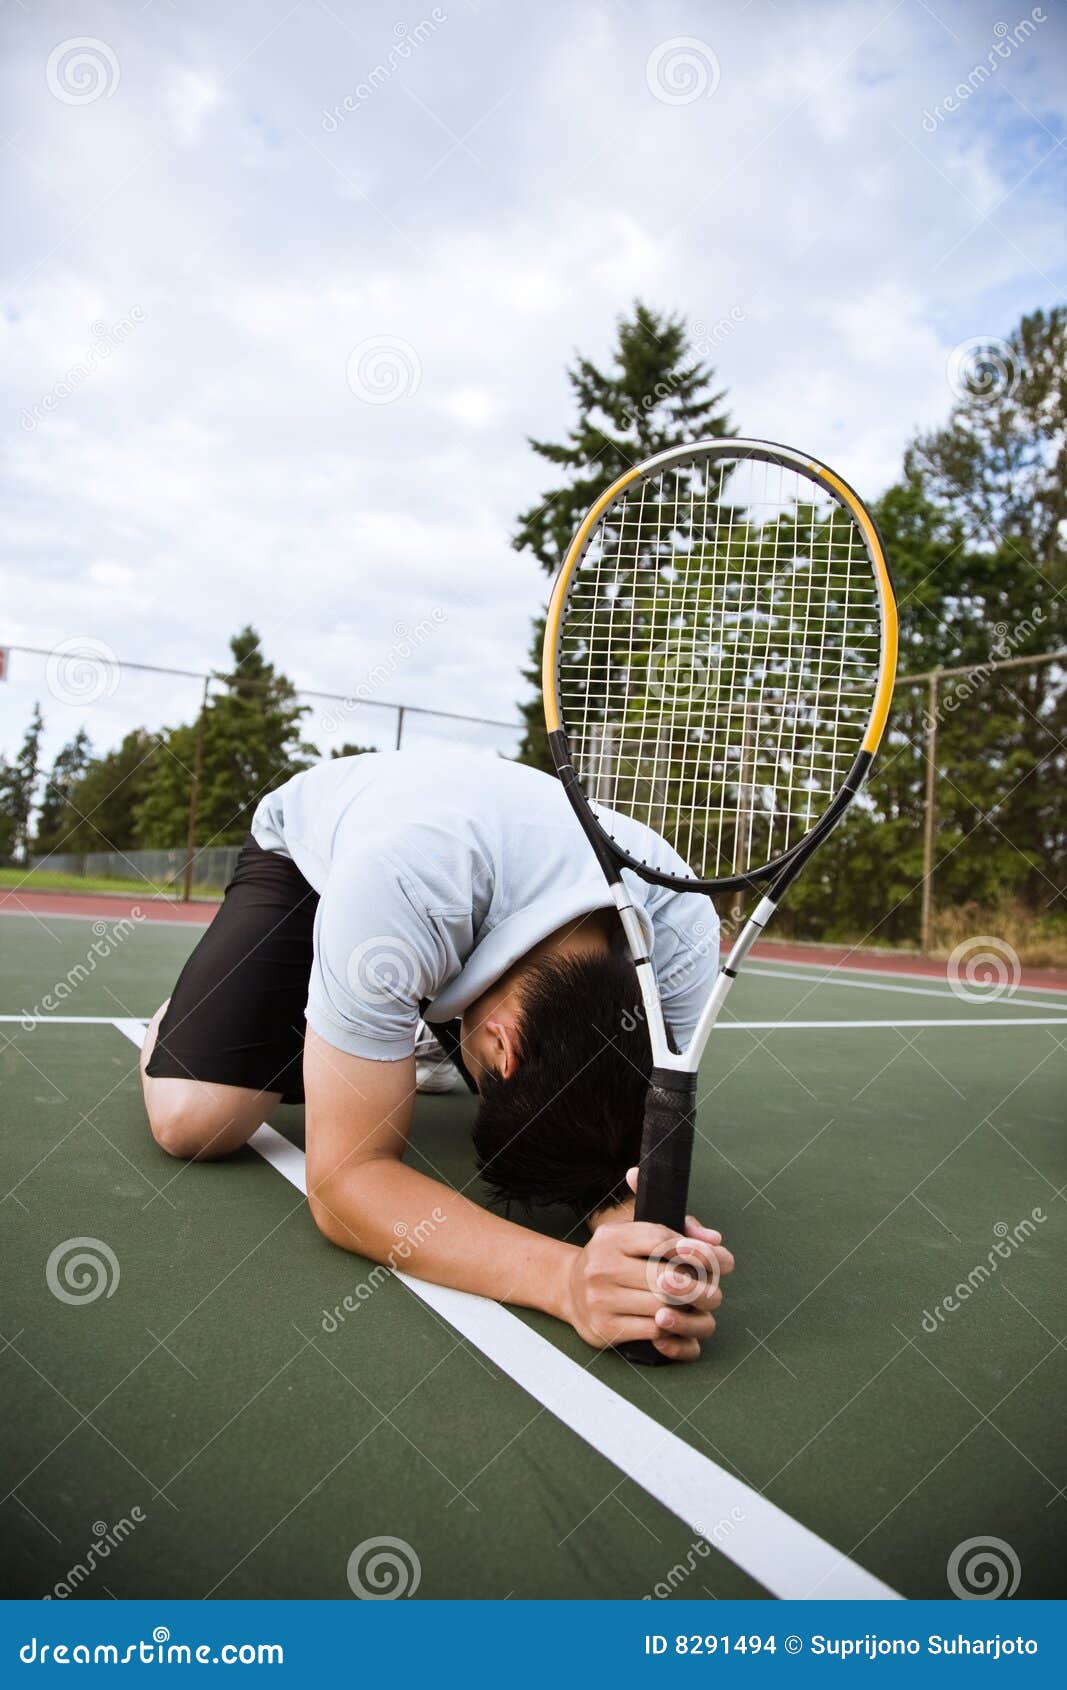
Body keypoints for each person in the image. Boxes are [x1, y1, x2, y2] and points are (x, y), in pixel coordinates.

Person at [141, 750, 733, 1362]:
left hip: (456, 903)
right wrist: (564, 1281)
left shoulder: (681, 927)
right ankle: (188, 1017)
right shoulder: (402, 882)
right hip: (316, 855)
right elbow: (346, 1181)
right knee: (197, 1120)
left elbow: (618, 1108)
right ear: (502, 1047)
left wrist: (635, 1245)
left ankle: (384, 1022)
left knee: (551, 1106)